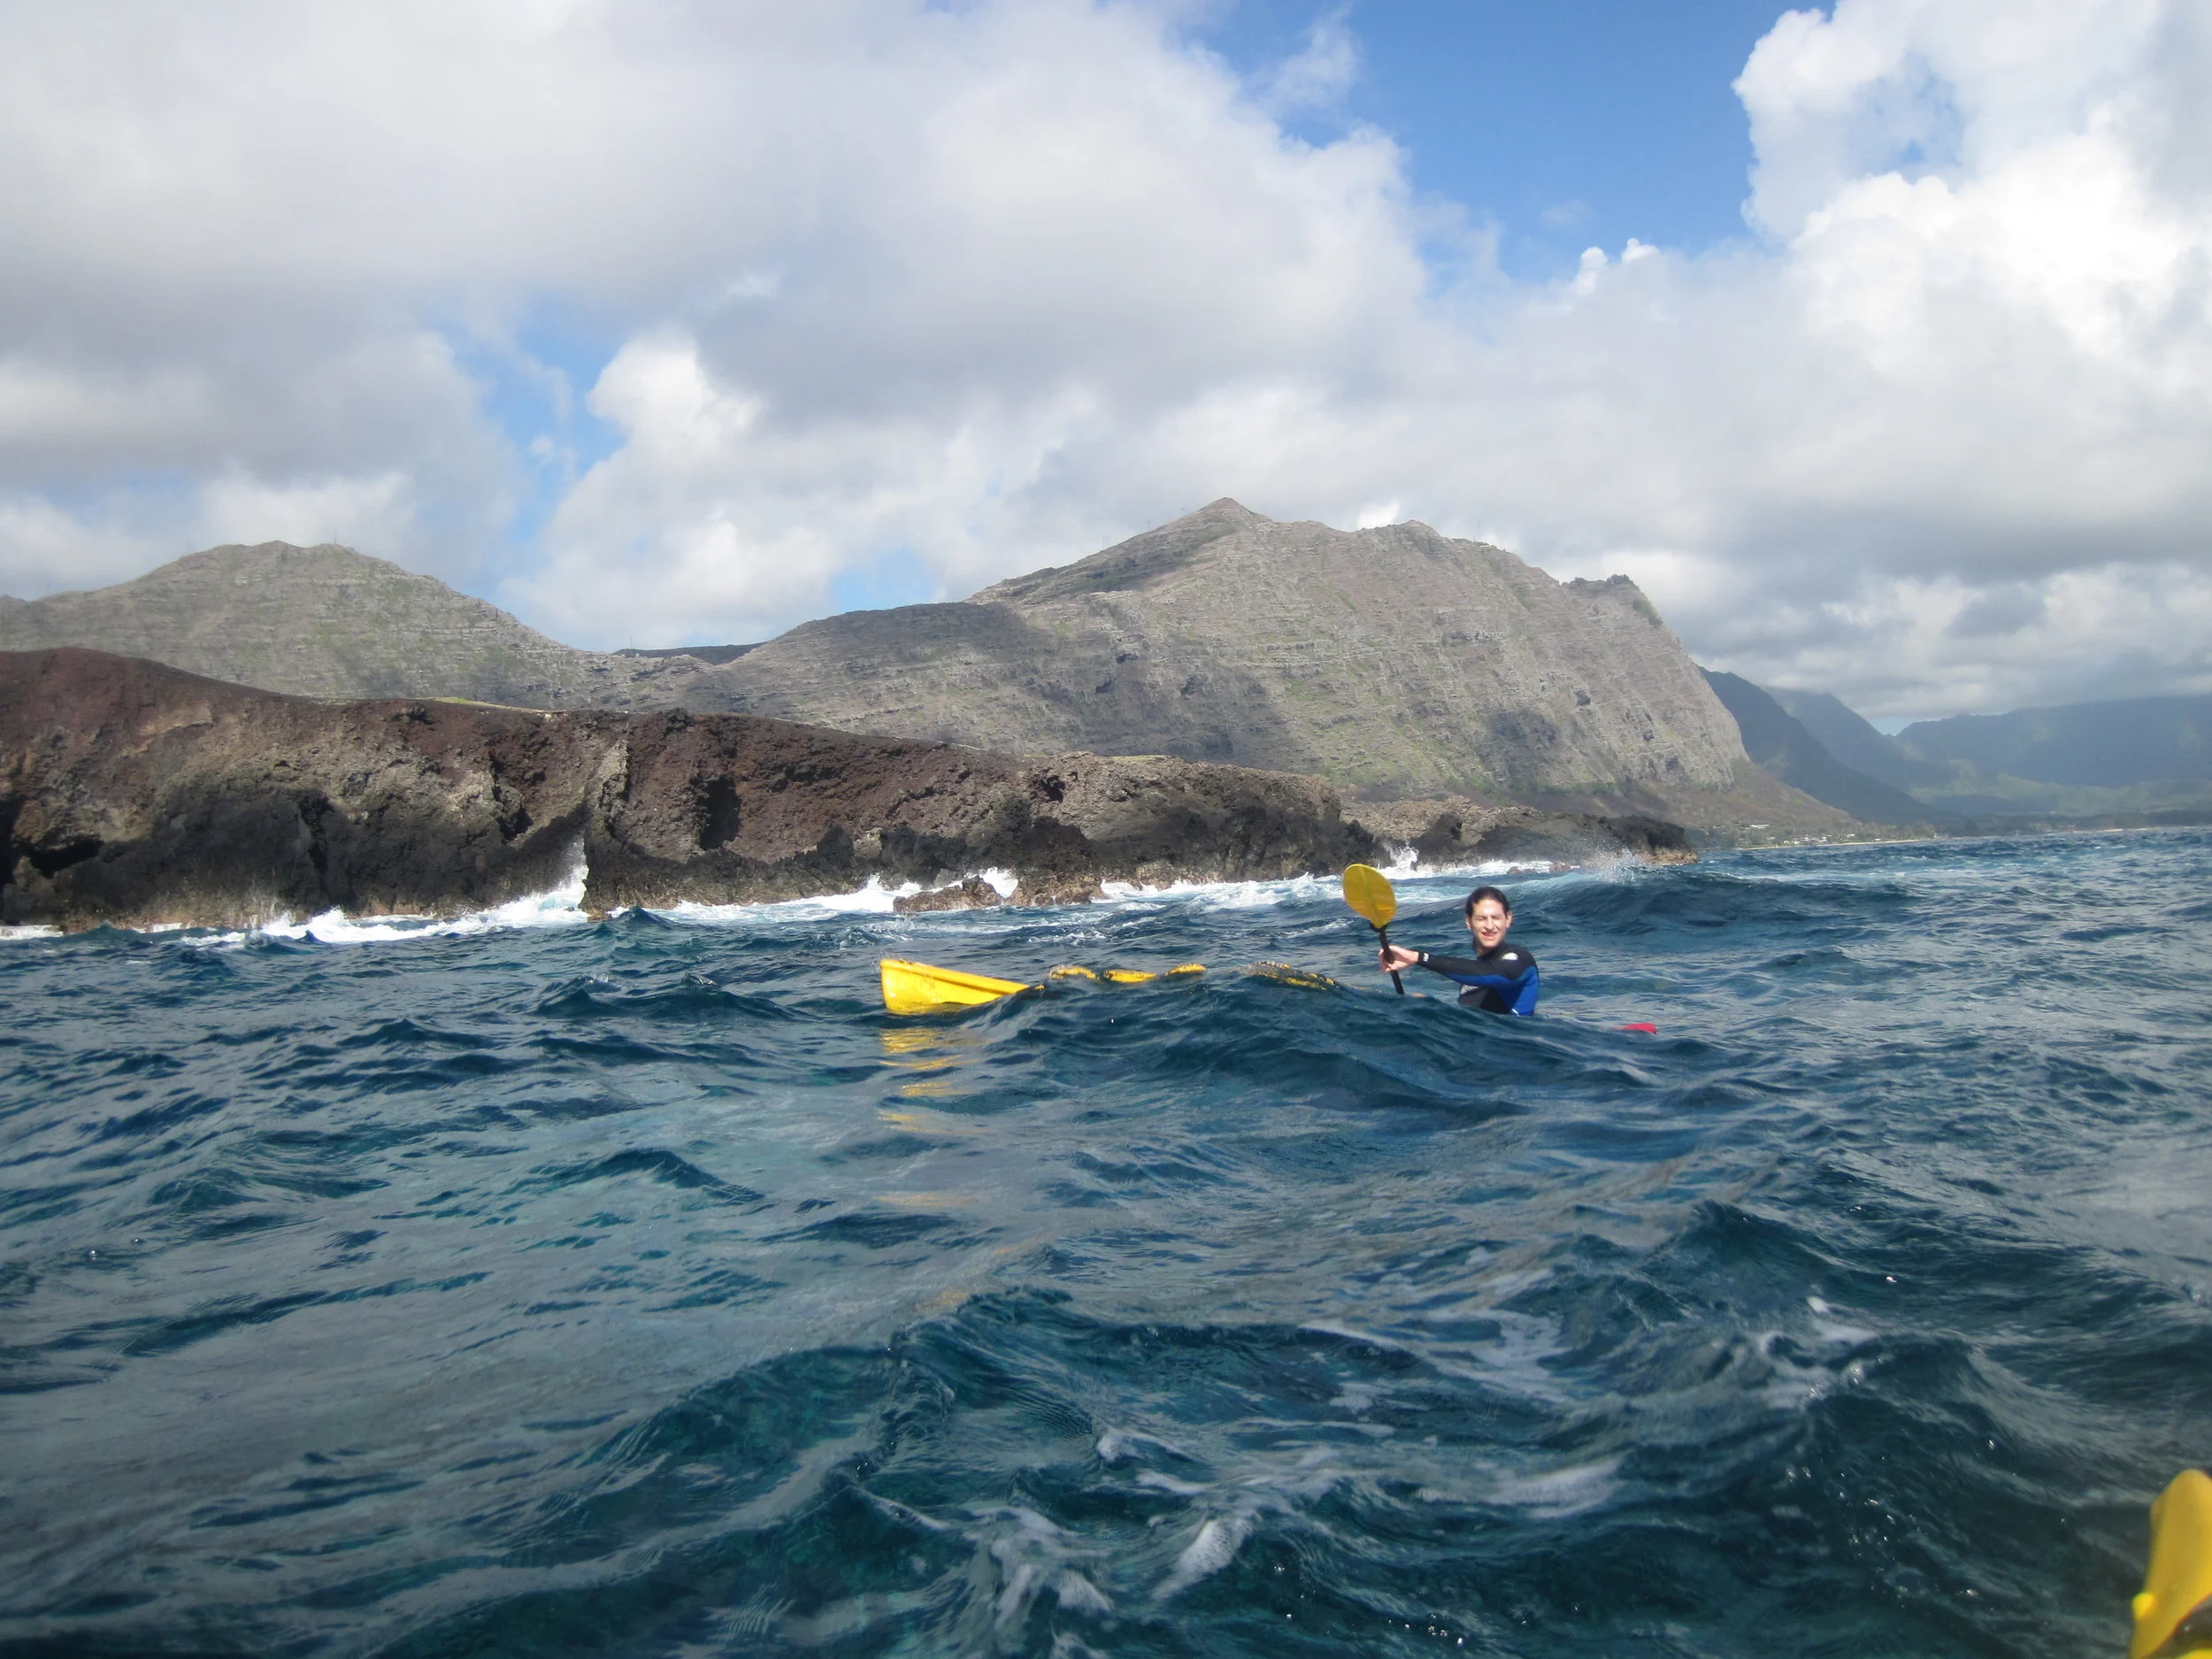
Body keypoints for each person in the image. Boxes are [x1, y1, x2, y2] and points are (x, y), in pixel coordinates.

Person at [1379, 885, 1540, 1015]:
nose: (1490, 926)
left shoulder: (1521, 961)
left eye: (1496, 917)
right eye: (1481, 918)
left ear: (1508, 919)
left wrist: (1419, 958)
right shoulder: (1470, 977)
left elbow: (1488, 974)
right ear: (1469, 922)